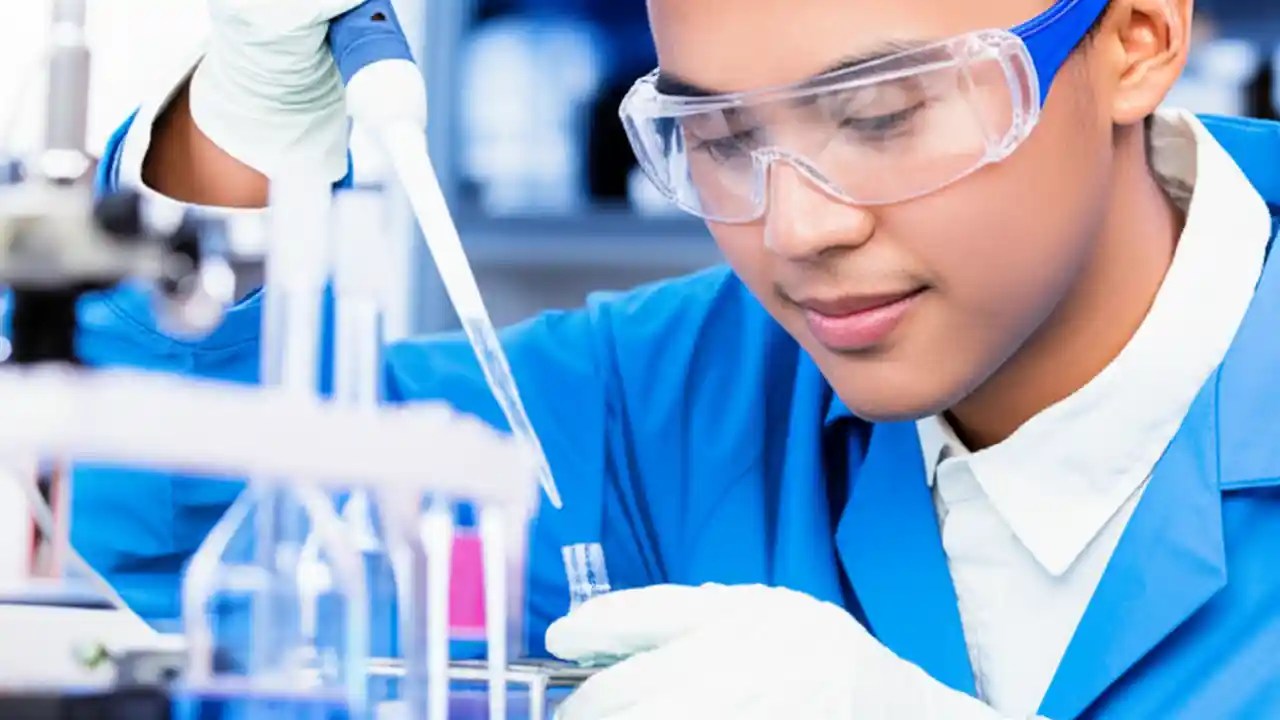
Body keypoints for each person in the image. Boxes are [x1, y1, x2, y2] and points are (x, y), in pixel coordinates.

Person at [15, 0, 1280, 716]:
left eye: (883, 115)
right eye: (718, 137)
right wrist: (235, 148)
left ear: (1133, 36)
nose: (795, 229)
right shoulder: (670, 399)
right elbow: (192, 531)